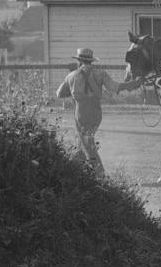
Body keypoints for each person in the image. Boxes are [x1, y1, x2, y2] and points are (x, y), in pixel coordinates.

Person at [56, 47, 143, 177]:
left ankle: (100, 174)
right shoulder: (100, 73)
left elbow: (59, 94)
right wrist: (134, 83)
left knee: (87, 143)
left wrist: (73, 88)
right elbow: (115, 87)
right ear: (91, 61)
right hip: (96, 112)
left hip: (81, 112)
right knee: (84, 143)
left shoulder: (71, 76)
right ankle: (72, 170)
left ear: (79, 60)